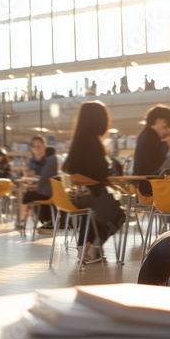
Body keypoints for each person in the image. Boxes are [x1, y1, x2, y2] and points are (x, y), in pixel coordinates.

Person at [62, 101, 126, 264]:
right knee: (119, 216)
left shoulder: (79, 139)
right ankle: (94, 247)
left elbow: (68, 168)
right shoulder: (93, 142)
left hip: (78, 195)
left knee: (95, 213)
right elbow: (99, 172)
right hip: (91, 194)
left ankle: (84, 248)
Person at [133, 104, 170, 196]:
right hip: (149, 185)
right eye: (165, 127)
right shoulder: (150, 136)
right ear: (159, 120)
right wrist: (167, 145)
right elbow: (155, 163)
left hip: (145, 183)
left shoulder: (147, 134)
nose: (166, 132)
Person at [17, 146, 59, 233]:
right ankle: (46, 222)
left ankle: (22, 219)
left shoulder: (48, 161)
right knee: (33, 196)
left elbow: (44, 180)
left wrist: (35, 185)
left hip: (46, 194)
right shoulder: (53, 162)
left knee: (28, 195)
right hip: (50, 193)